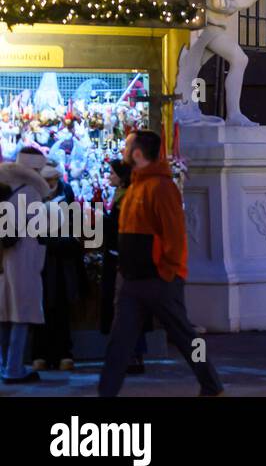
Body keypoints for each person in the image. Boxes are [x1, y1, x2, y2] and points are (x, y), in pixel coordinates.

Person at [99, 130, 223, 397]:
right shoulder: (136, 186)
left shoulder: (160, 187)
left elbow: (175, 236)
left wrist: (168, 272)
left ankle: (212, 385)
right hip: (135, 279)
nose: (123, 151)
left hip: (159, 279)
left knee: (186, 339)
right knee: (120, 343)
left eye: (127, 146)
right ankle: (106, 393)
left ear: (138, 153)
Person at [0, 148, 52, 384]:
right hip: (22, 258)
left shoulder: (6, 190)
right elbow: (41, 228)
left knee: (5, 313)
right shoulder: (31, 193)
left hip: (5, 259)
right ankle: (14, 367)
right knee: (20, 313)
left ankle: (5, 364)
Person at [33, 161, 85, 372]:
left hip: (61, 263)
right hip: (42, 263)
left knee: (60, 309)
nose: (49, 184)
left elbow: (75, 231)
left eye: (52, 180)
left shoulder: (67, 195)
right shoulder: (34, 196)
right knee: (41, 308)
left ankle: (62, 353)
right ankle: (41, 353)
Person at [99, 159, 148, 376]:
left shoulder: (127, 198)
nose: (109, 176)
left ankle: (131, 354)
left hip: (125, 262)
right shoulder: (121, 196)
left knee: (126, 309)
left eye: (112, 173)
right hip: (120, 260)